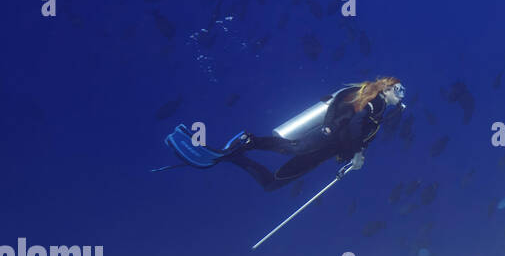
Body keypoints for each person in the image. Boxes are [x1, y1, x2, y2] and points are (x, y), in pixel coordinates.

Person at [163, 78, 405, 191]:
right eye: (398, 90)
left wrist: (349, 156)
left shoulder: (369, 97)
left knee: (272, 183)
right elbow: (354, 126)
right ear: (386, 88)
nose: (401, 95)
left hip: (327, 147)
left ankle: (232, 155)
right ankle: (249, 141)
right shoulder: (376, 102)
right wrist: (358, 155)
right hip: (328, 138)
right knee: (294, 147)